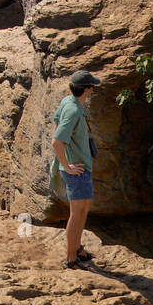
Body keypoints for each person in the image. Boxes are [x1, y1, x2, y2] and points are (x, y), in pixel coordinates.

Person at [51, 69, 100, 269]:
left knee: (84, 207)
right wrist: (67, 166)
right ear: (86, 89)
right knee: (77, 213)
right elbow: (56, 142)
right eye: (92, 87)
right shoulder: (72, 110)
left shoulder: (69, 102)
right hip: (76, 170)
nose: (93, 90)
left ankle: (77, 248)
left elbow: (56, 120)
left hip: (82, 166)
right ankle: (71, 259)